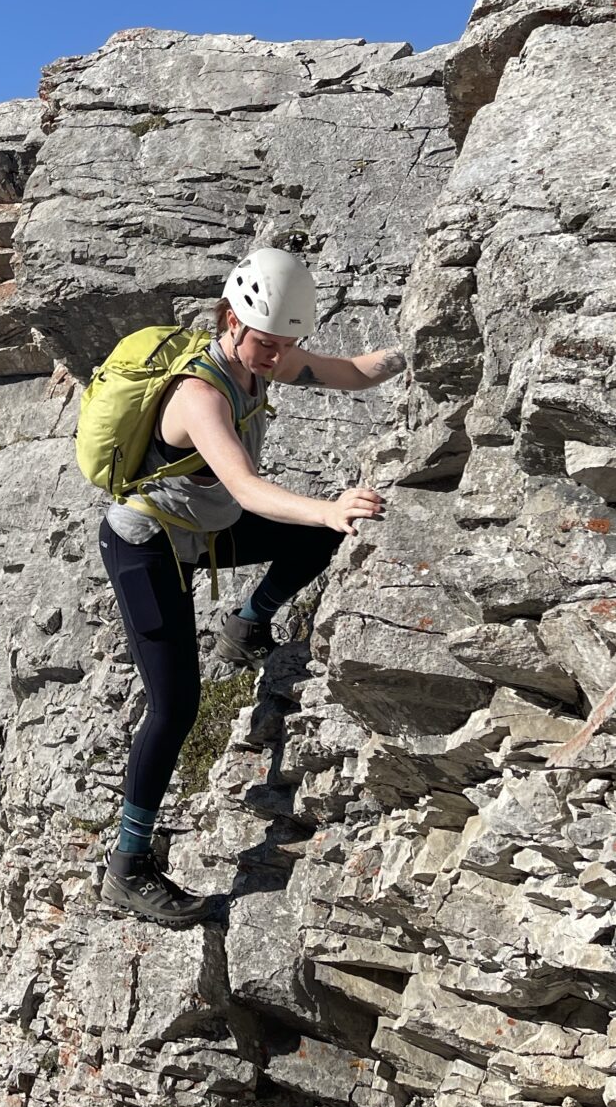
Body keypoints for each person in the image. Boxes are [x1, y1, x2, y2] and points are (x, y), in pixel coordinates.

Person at [98, 248, 405, 926]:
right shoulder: (199, 396)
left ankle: (246, 626)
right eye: (267, 343)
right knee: (175, 706)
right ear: (232, 320)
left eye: (287, 345)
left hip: (204, 530)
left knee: (316, 537)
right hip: (147, 547)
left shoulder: (261, 359)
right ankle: (128, 865)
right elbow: (245, 487)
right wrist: (326, 507)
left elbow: (350, 371)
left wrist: (412, 352)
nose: (278, 357)